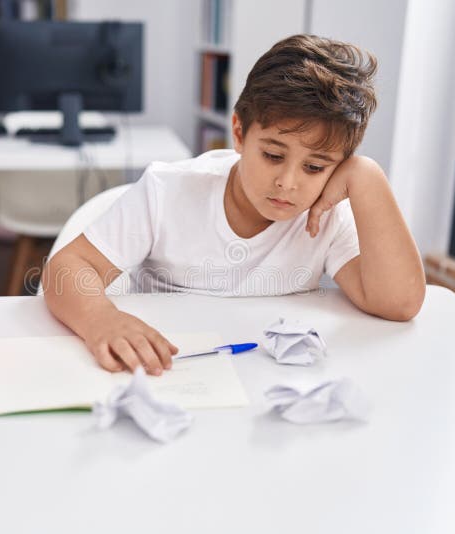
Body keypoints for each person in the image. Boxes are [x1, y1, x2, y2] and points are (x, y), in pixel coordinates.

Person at [42, 34, 425, 376]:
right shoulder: (167, 191)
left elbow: (399, 303)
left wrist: (367, 177)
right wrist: (101, 319)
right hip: (172, 370)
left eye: (314, 166)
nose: (288, 183)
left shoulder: (327, 212)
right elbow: (67, 268)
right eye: (273, 156)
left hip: (267, 379)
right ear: (239, 133)